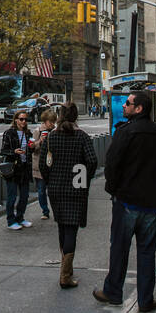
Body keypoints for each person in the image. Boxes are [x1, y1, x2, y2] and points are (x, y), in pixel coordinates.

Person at [93, 90, 156, 313]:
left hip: (127, 201)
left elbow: (112, 164)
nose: (124, 106)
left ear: (138, 109)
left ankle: (113, 291)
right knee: (147, 252)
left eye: (128, 103)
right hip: (152, 202)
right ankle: (146, 299)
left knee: (120, 248)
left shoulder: (125, 132)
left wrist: (114, 190)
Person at [39, 103, 97, 288]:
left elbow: (43, 164)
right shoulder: (82, 136)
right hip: (76, 186)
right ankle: (65, 275)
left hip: (55, 187)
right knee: (71, 228)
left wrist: (50, 179)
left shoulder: (51, 137)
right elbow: (92, 161)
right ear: (75, 116)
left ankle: (66, 268)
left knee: (62, 226)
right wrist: (83, 177)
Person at [1, 110, 34, 229]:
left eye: (25, 119)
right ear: (15, 120)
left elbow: (31, 150)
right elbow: (3, 150)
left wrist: (32, 147)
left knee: (24, 196)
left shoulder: (28, 133)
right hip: (13, 168)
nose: (23, 121)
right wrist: (14, 151)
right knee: (12, 196)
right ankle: (11, 221)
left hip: (25, 167)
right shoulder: (9, 133)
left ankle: (20, 217)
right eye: (21, 119)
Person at [33, 109, 57, 219]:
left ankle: (56, 210)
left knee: (53, 190)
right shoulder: (37, 131)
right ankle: (45, 211)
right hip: (40, 165)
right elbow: (32, 147)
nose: (52, 124)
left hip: (52, 166)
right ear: (45, 121)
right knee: (41, 191)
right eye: (50, 121)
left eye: (53, 121)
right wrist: (40, 141)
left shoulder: (55, 131)